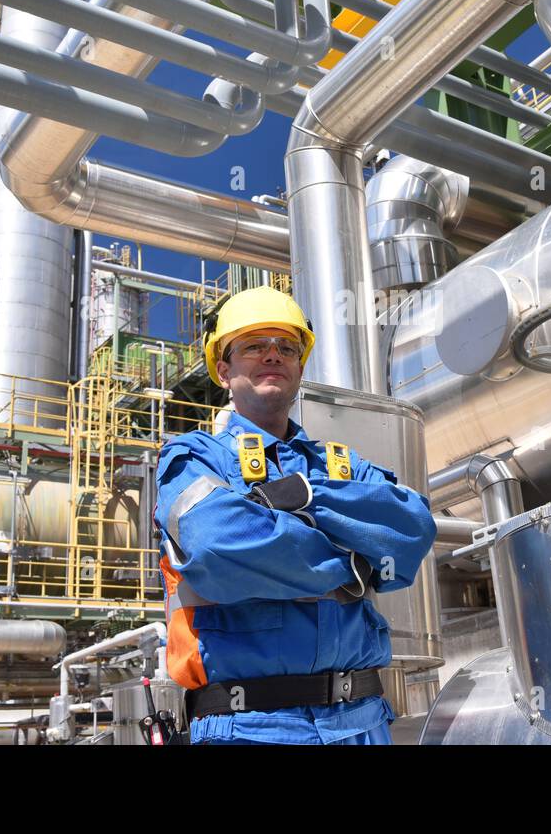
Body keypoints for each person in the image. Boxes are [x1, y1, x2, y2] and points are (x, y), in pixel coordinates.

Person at [154, 285, 436, 745]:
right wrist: (355, 567)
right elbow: (221, 548)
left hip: (363, 721)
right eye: (253, 346)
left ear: (300, 368)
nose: (273, 355)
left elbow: (412, 531)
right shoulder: (193, 458)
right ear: (223, 370)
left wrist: (305, 495)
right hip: (250, 726)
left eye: (286, 347)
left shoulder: (341, 464)